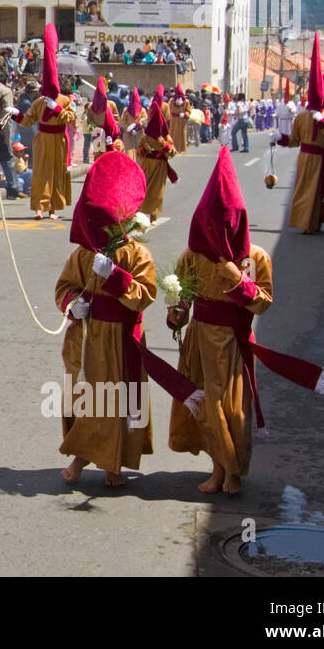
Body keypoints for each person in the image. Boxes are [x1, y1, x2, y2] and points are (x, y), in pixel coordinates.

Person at [169, 147, 324, 493]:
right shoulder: (192, 257)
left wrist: (236, 279)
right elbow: (183, 295)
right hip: (200, 340)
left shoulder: (255, 258)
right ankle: (217, 467)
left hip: (233, 345)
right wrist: (176, 314)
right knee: (207, 403)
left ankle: (234, 471)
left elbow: (263, 304)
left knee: (233, 409)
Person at [55, 151, 201, 487]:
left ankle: (111, 463)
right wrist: (73, 304)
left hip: (122, 337)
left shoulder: (137, 253)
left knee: (119, 396)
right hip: (90, 336)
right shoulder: (82, 254)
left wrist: (116, 277)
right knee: (91, 396)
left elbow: (145, 294)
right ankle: (84, 455)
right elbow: (65, 286)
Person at [277, 34, 324, 236]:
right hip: (305, 158)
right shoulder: (302, 116)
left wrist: (321, 120)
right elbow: (295, 140)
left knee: (317, 193)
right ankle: (304, 222)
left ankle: (314, 224)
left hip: (322, 158)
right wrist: (280, 138)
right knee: (305, 192)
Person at [16, 25, 72, 220]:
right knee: (41, 173)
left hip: (59, 139)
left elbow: (72, 119)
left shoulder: (65, 101)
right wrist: (16, 114)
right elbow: (27, 121)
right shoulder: (39, 102)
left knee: (56, 172)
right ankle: (39, 208)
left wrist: (56, 108)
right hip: (42, 138)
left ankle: (52, 209)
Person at [137, 84, 178, 221]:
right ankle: (142, 212)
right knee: (146, 188)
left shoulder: (165, 138)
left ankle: (153, 215)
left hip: (160, 166)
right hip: (147, 164)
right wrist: (145, 151)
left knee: (157, 191)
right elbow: (139, 151)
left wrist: (164, 147)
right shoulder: (145, 137)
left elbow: (172, 152)